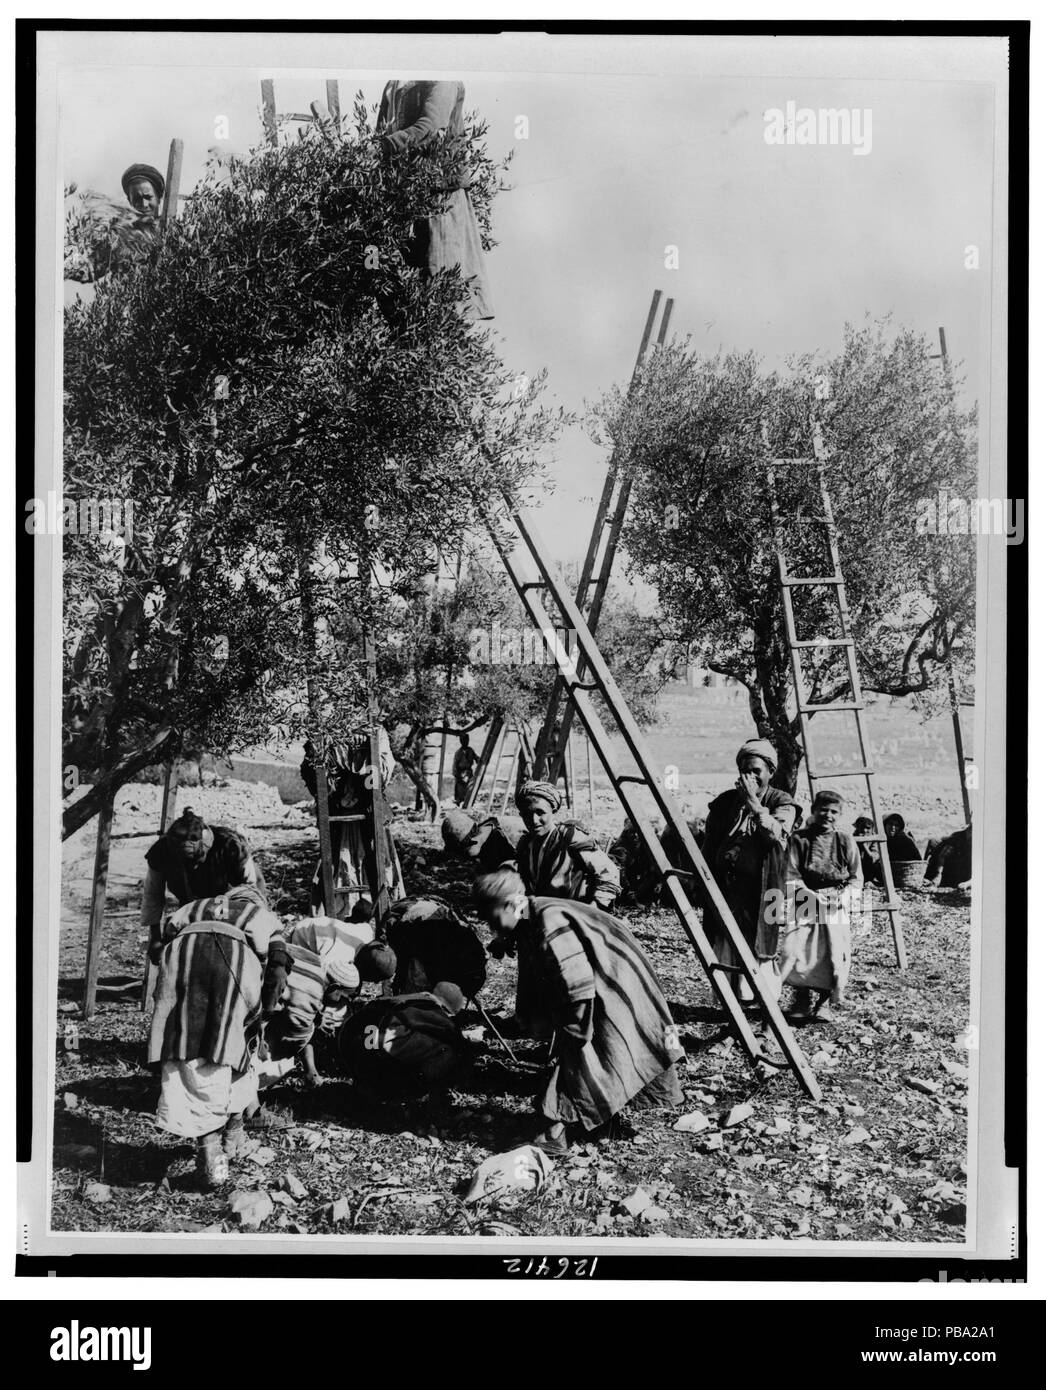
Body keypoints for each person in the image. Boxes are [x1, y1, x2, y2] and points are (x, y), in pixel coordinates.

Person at [473, 870, 685, 1156]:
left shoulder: (548, 920)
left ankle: (554, 1132)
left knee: (588, 1050)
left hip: (615, 976)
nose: (491, 927)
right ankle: (604, 1118)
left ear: (511, 903)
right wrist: (505, 939)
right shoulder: (530, 913)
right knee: (606, 1049)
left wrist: (575, 1027)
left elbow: (576, 980)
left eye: (492, 918)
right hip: (609, 972)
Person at [147, 885, 290, 1188]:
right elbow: (278, 965)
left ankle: (219, 1140)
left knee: (189, 1044)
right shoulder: (261, 915)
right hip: (233, 959)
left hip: (182, 956)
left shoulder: (194, 904)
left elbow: (159, 949)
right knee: (234, 1044)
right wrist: (265, 1010)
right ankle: (216, 1152)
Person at [376, 79, 494, 321]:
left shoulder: (442, 77)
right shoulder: (394, 83)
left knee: (439, 298)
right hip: (403, 199)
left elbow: (430, 128)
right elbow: (380, 134)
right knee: (399, 299)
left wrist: (380, 148)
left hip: (439, 199)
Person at [511, 780, 621, 1036]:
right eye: (527, 814)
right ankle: (546, 1031)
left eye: (540, 813)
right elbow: (523, 890)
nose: (534, 820)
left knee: (574, 984)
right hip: (541, 925)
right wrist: (514, 928)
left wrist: (593, 911)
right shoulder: (525, 846)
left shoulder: (570, 838)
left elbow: (608, 873)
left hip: (573, 924)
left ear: (553, 812)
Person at [702, 740, 798, 1003]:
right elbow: (709, 842)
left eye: (756, 770)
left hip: (766, 889)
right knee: (725, 944)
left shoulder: (782, 802)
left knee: (762, 947)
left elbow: (774, 834)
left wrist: (753, 803)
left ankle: (767, 1016)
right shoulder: (724, 803)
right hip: (728, 889)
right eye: (745, 771)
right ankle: (731, 1008)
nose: (750, 777)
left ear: (770, 771)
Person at [262, 918, 397, 1087]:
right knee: (314, 1015)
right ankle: (310, 1069)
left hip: (320, 958)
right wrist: (318, 1018)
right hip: (297, 946)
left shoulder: (367, 937)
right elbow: (310, 1005)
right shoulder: (331, 961)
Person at [141, 809, 266, 970]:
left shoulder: (230, 846)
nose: (194, 867)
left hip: (231, 899)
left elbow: (252, 888)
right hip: (190, 901)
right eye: (187, 863)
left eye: (197, 861)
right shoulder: (162, 852)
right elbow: (153, 895)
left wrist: (255, 923)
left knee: (237, 950)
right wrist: (155, 938)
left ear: (207, 846)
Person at [781, 790, 862, 1023]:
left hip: (835, 903)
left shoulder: (845, 840)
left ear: (840, 815)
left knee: (833, 954)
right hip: (805, 900)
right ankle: (802, 998)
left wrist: (844, 895)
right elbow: (790, 873)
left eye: (834, 812)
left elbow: (857, 877)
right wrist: (808, 894)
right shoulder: (799, 839)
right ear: (814, 811)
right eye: (823, 810)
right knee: (795, 951)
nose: (828, 815)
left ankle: (824, 1002)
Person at [300, 728, 398, 916]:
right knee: (340, 860)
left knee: (374, 857)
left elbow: (382, 773)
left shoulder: (375, 731)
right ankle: (344, 907)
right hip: (339, 814)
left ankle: (371, 904)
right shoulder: (328, 730)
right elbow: (314, 774)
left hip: (367, 813)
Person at [338, 981, 468, 1102]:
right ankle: (405, 1092)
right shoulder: (432, 1008)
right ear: (447, 1009)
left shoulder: (408, 998)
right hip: (377, 1054)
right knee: (448, 1051)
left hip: (349, 1042)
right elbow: (453, 1035)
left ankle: (366, 1085)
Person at [378, 894, 487, 999]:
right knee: (417, 979)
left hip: (424, 926)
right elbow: (406, 956)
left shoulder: (467, 945)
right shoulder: (415, 929)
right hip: (412, 926)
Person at [441, 807, 522, 872]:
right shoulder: (486, 831)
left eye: (463, 853)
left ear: (473, 842)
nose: (464, 858)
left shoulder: (510, 841)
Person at [925, 823, 973, 889]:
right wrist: (938, 875)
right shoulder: (957, 837)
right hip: (950, 870)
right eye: (970, 833)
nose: (971, 837)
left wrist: (967, 884)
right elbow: (942, 856)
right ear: (968, 830)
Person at [853, 815, 883, 886]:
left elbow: (873, 858)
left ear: (872, 829)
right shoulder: (852, 838)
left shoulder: (875, 840)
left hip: (870, 871)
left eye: (868, 828)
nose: (864, 830)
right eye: (862, 827)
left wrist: (864, 845)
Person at [451, 734, 480, 806]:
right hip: (460, 774)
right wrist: (458, 777)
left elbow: (477, 758)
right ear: (461, 741)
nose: (466, 742)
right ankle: (459, 802)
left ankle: (469, 804)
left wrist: (480, 760)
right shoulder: (458, 753)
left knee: (469, 791)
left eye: (467, 740)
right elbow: (455, 766)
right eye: (464, 740)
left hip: (469, 773)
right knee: (460, 793)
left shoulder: (470, 750)